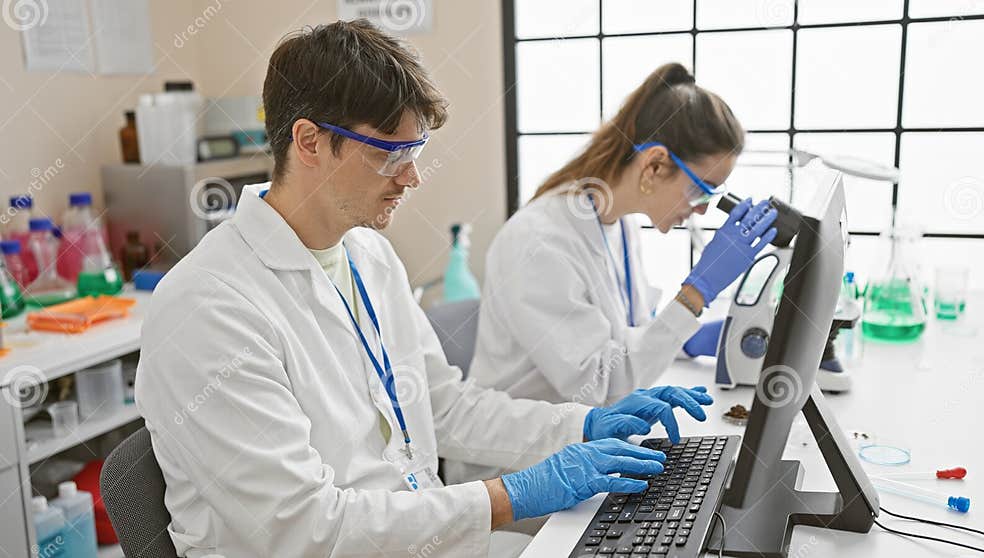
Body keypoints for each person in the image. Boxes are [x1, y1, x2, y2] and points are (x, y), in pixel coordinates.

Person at [135, 21, 713, 558]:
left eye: (416, 153)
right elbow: (303, 529)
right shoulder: (208, 307)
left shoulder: (368, 256)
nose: (412, 177)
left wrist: (581, 426)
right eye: (391, 153)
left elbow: (442, 404)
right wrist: (511, 496)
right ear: (308, 141)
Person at [446, 64, 776, 486]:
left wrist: (684, 338)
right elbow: (602, 386)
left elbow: (620, 338)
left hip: (583, 449)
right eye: (701, 191)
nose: (702, 210)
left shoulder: (618, 224)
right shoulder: (538, 241)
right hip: (517, 468)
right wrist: (697, 292)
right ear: (655, 165)